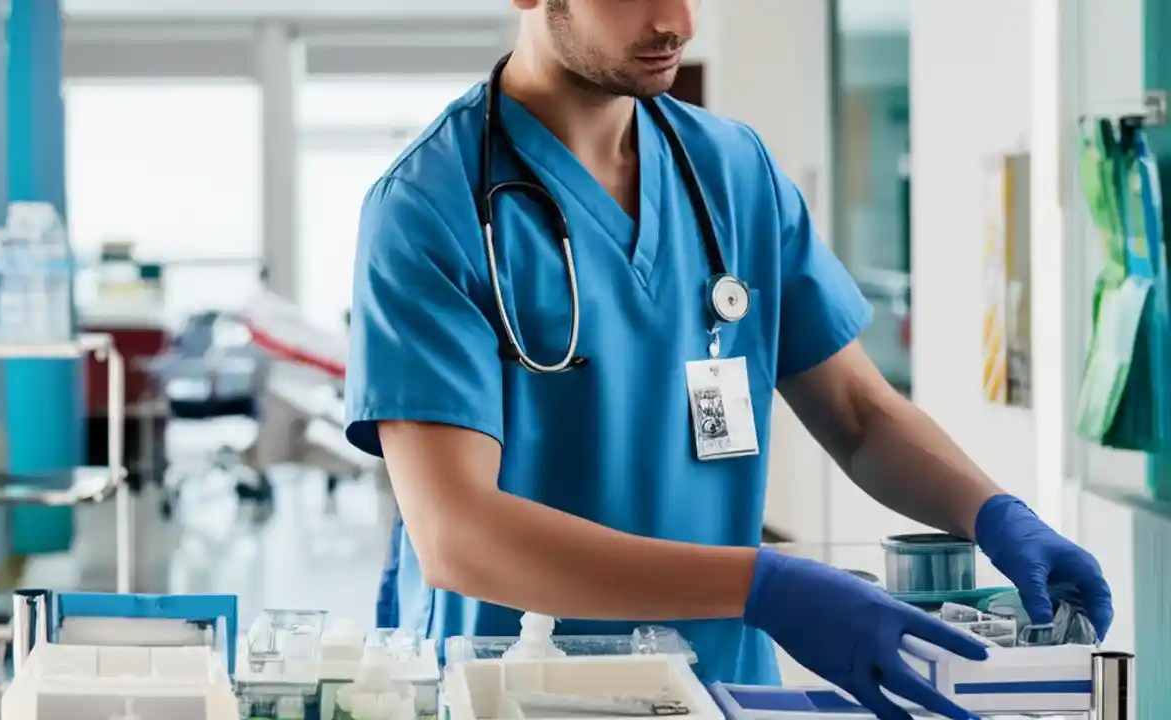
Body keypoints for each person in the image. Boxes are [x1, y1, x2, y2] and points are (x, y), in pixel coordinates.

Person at [344, 2, 1113, 718]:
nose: (678, 21)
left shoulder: (732, 171)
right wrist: (762, 586)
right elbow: (457, 535)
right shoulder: (429, 208)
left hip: (722, 688)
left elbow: (857, 413)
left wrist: (993, 512)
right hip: (527, 688)